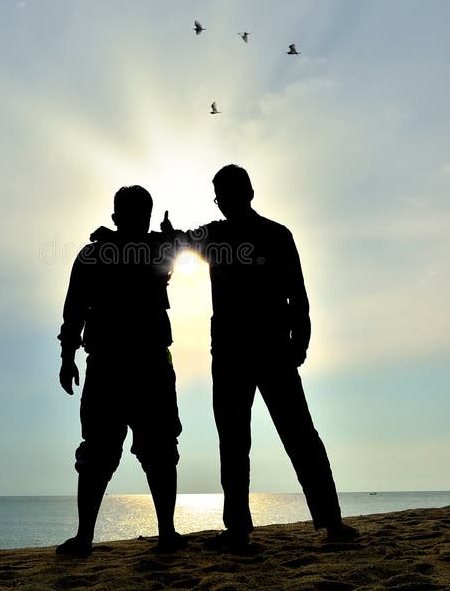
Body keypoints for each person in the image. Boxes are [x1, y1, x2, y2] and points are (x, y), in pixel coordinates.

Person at [160, 164, 359, 550]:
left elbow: (296, 293)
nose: (225, 202)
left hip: (266, 350)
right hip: (244, 351)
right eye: (221, 196)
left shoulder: (270, 235)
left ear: (246, 192)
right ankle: (245, 529)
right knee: (243, 441)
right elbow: (177, 241)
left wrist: (299, 339)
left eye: (226, 194)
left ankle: (326, 523)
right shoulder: (228, 235)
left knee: (292, 436)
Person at [57, 185, 185, 556]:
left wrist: (67, 356)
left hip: (141, 365)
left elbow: (73, 312)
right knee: (103, 452)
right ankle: (90, 536)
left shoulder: (127, 250)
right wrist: (67, 355)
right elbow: (75, 310)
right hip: (117, 366)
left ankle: (162, 533)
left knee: (156, 449)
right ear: (118, 217)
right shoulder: (101, 254)